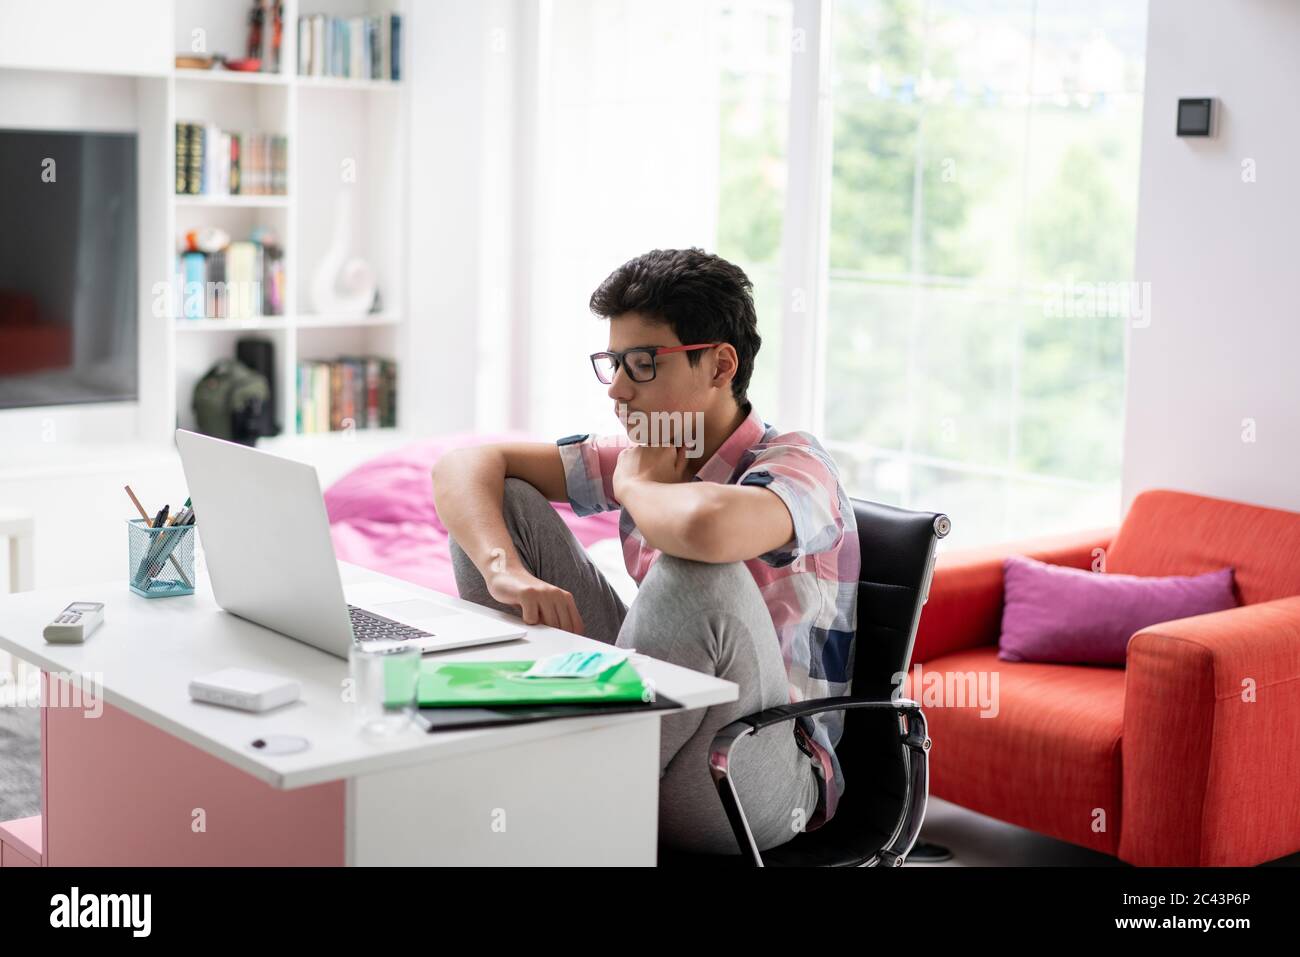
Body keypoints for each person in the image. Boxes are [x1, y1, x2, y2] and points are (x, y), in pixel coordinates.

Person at [431, 247, 859, 855]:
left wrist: (635, 486)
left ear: (718, 364)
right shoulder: (657, 447)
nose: (619, 392)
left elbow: (706, 532)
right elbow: (466, 464)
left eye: (643, 364)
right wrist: (506, 572)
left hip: (757, 768)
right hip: (656, 733)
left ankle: (546, 793)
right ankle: (535, 757)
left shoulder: (797, 467)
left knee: (697, 570)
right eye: (614, 363)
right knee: (504, 503)